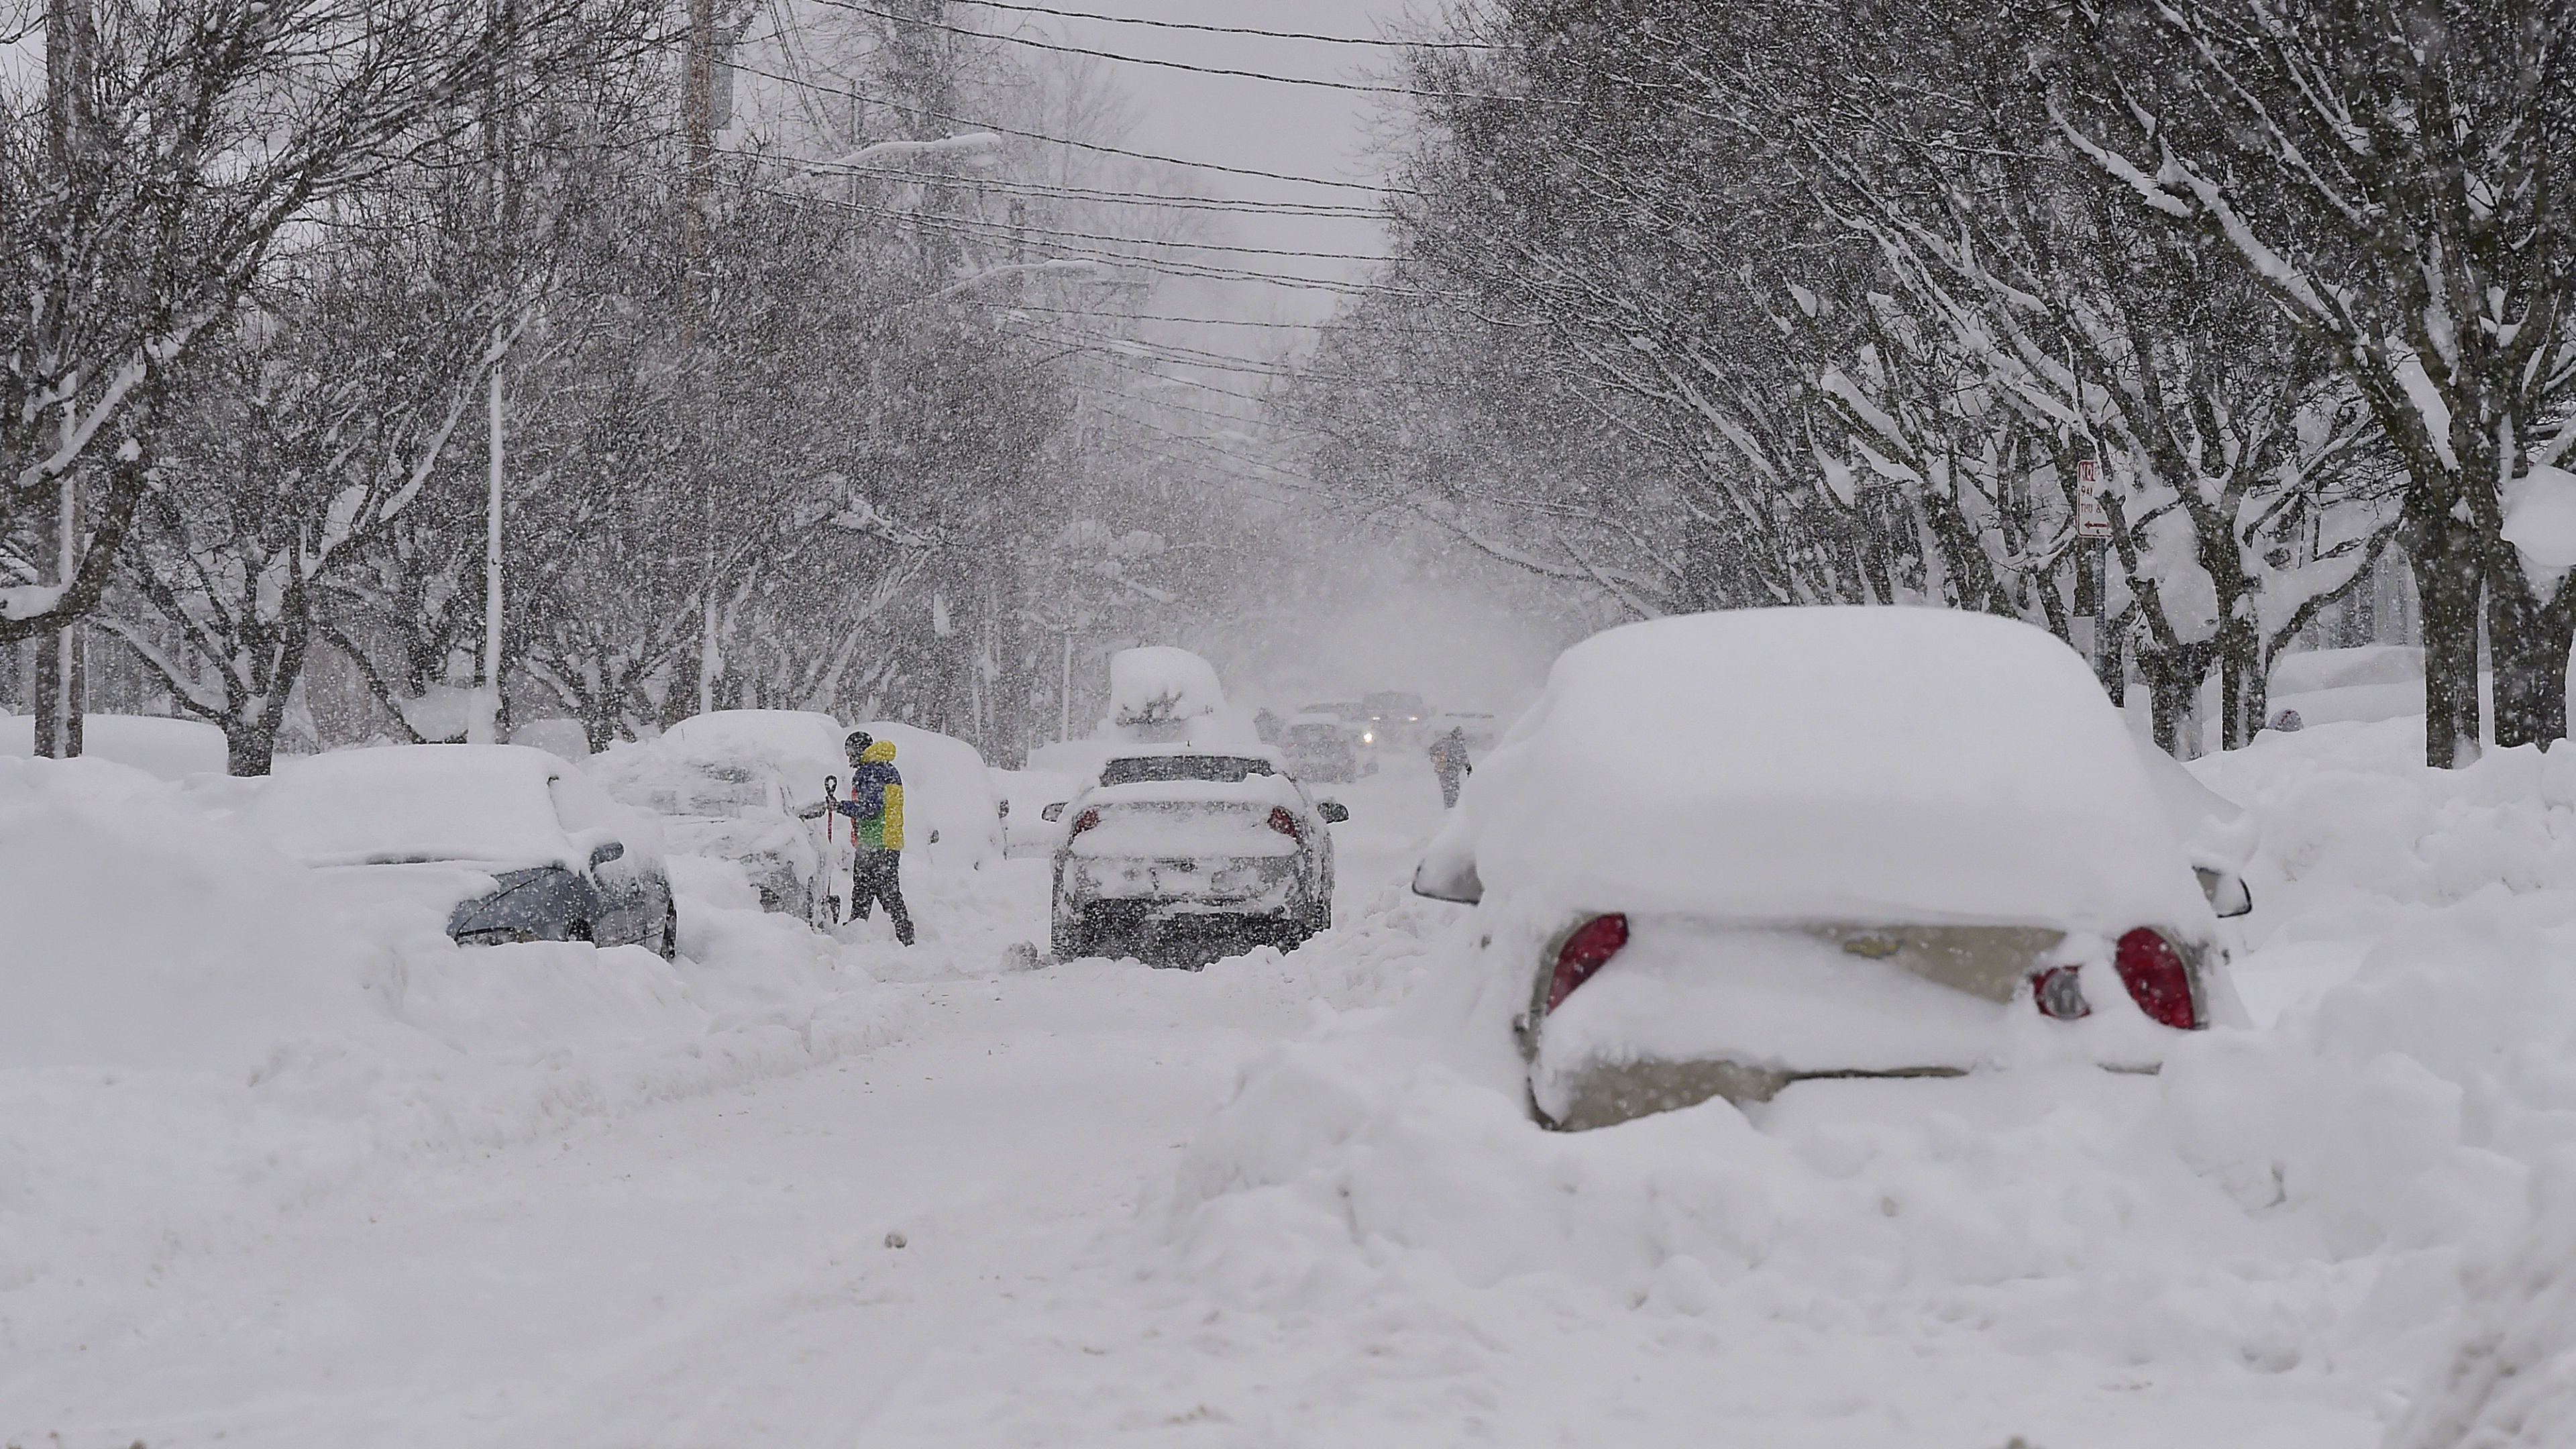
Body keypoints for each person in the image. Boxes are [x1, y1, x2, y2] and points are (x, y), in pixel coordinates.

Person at [833, 729, 914, 946]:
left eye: (851, 752)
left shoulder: (870, 772)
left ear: (861, 751)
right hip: (885, 842)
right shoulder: (885, 768)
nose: (849, 758)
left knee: (872, 891)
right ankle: (899, 935)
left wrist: (840, 806)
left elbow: (870, 809)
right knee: (876, 890)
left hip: (876, 843)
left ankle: (902, 938)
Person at [1428, 724, 1471, 809]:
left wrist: (1437, 758)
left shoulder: (1443, 742)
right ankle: (1451, 807)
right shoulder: (1458, 745)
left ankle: (1449, 806)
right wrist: (1468, 769)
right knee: (1453, 789)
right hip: (1451, 771)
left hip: (1443, 771)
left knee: (1447, 789)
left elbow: (1432, 750)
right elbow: (1464, 758)